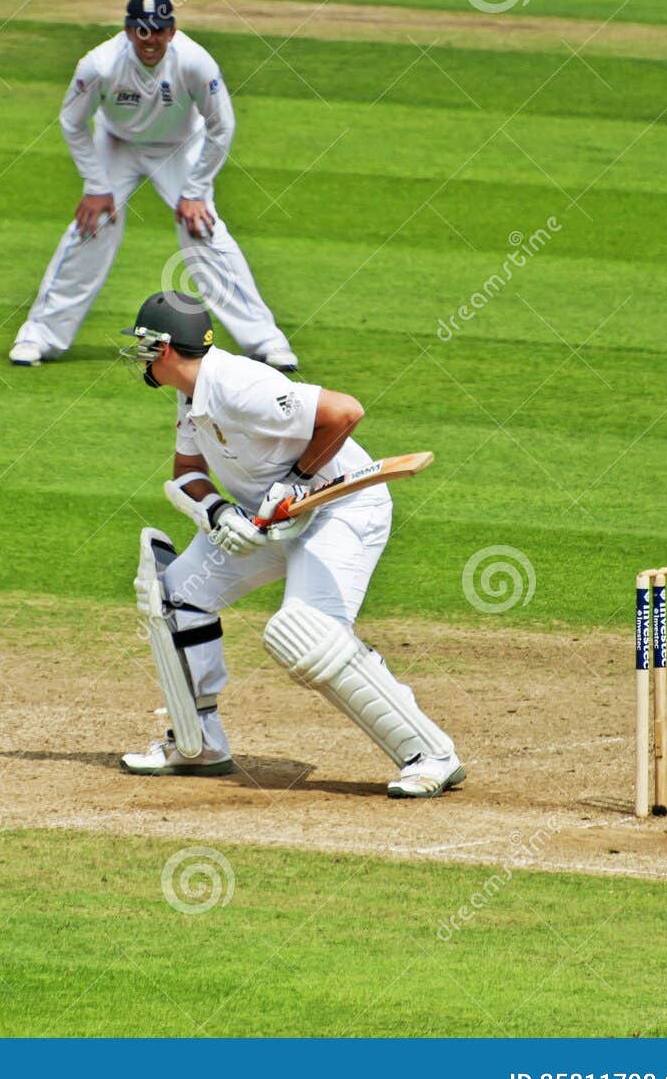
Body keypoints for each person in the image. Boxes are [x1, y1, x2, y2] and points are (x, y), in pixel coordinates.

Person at [118, 290, 464, 799]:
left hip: (340, 508)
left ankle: (430, 754)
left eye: (146, 346)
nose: (141, 357)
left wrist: (299, 479)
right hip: (270, 519)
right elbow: (187, 472)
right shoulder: (191, 393)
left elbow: (345, 411)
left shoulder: (240, 385)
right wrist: (219, 513)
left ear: (166, 349)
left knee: (307, 633)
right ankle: (198, 742)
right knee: (177, 594)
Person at [9, 0, 297, 371]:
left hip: (178, 146)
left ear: (172, 31)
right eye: (141, 30)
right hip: (116, 143)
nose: (150, 39)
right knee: (92, 226)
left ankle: (266, 342)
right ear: (128, 31)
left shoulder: (195, 63)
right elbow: (72, 122)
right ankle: (38, 337)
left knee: (203, 230)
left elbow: (221, 126)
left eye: (158, 30)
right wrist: (96, 185)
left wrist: (194, 192)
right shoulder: (100, 64)